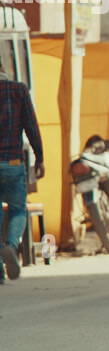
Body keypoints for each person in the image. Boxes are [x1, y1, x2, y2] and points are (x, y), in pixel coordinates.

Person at [0, 71, 45, 283]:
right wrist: (40, 157)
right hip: (13, 163)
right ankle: (11, 244)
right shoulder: (18, 90)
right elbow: (31, 126)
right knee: (19, 210)